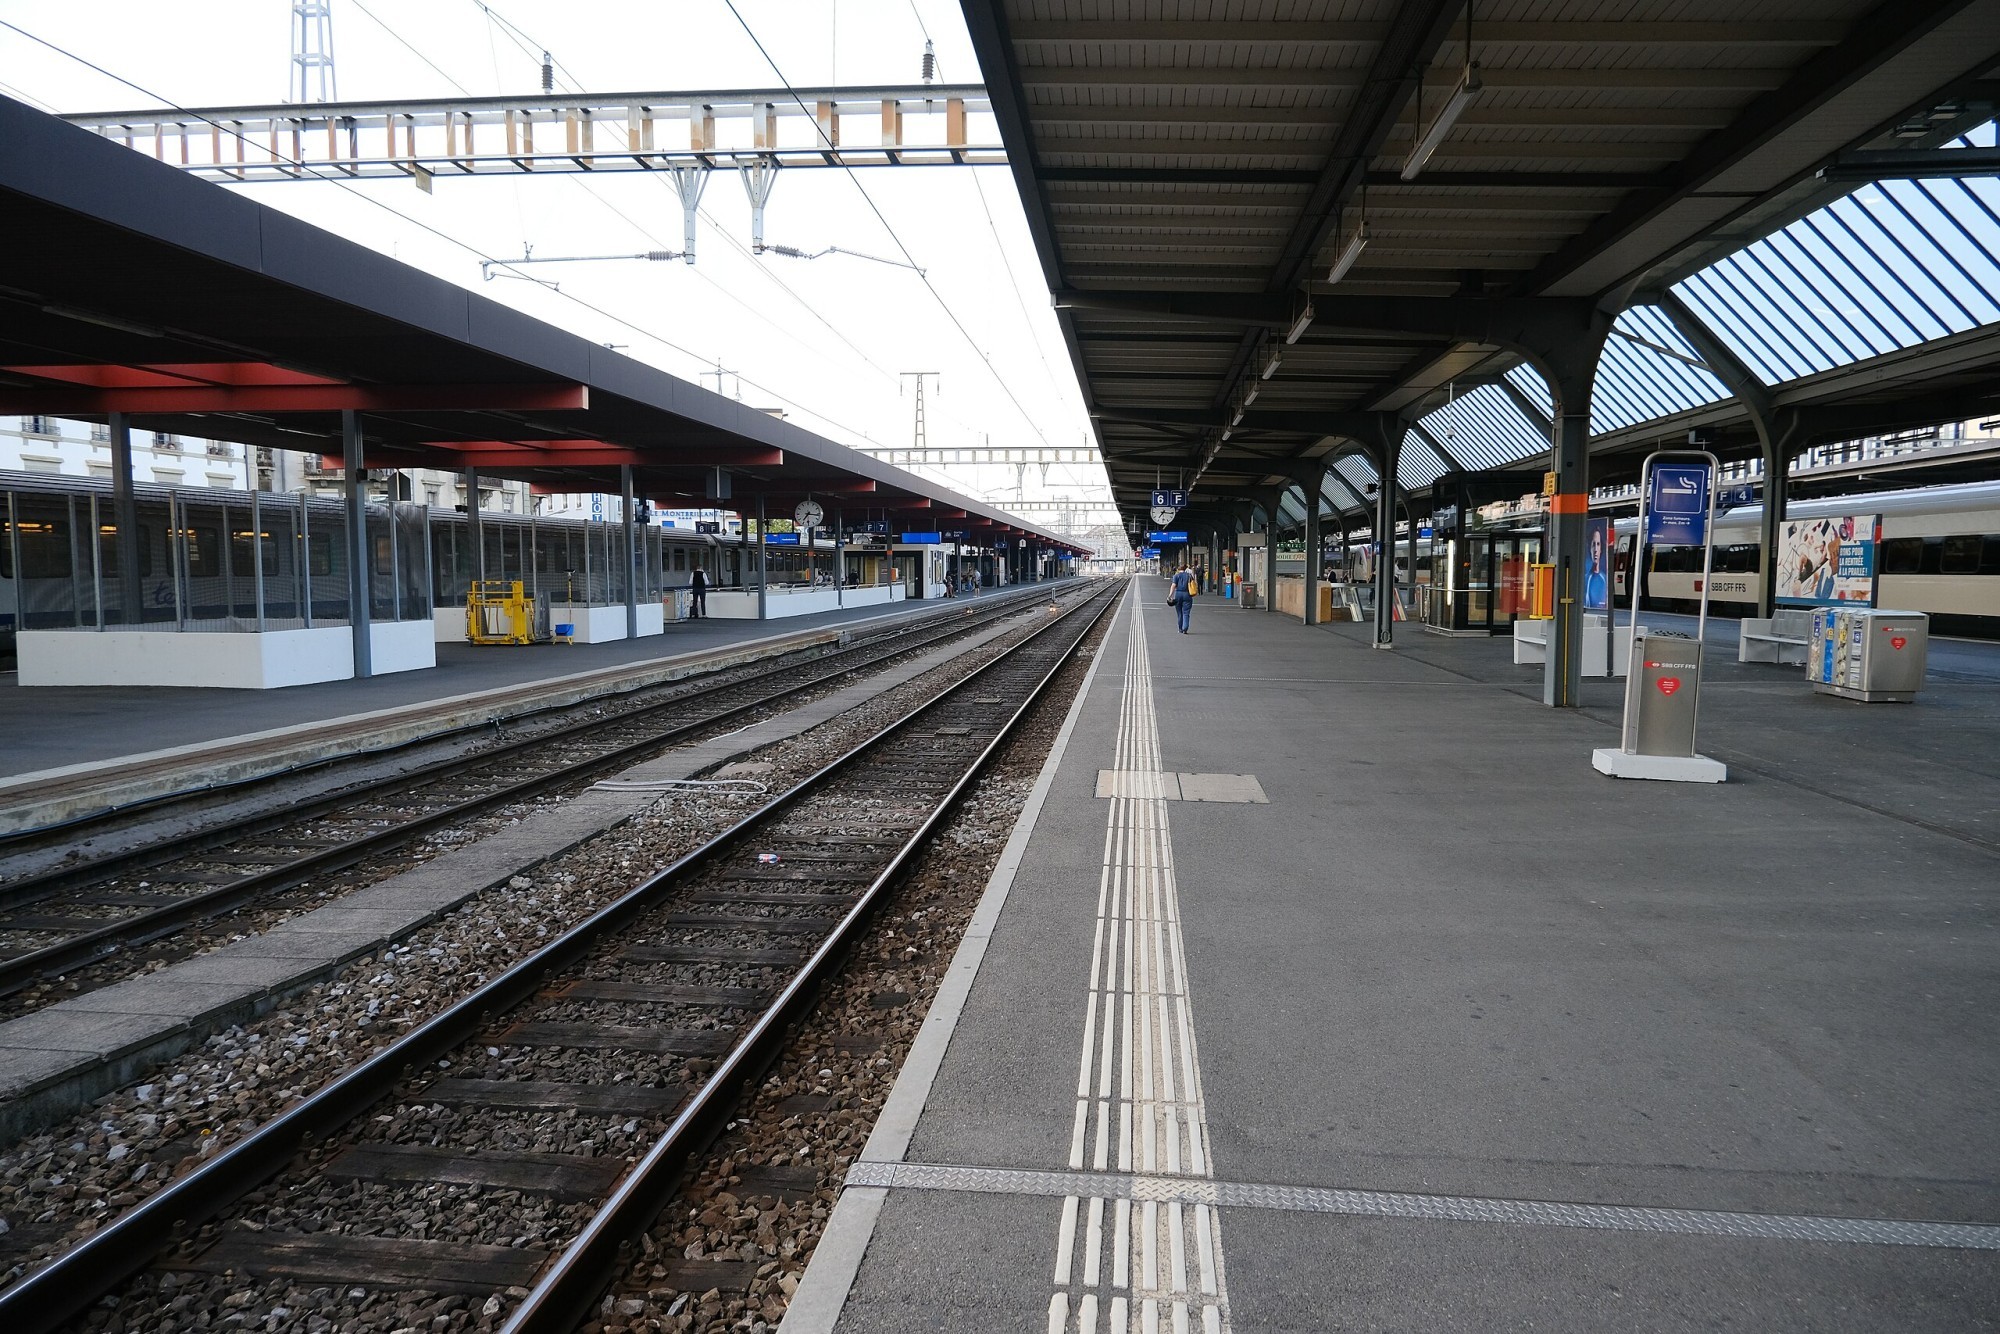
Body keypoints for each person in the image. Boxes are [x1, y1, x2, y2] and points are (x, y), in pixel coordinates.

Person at [1170, 563, 1196, 634]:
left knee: (1179, 613)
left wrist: (1170, 595)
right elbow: (1193, 583)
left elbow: (1173, 586)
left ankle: (1180, 629)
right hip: (1187, 594)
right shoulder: (1189, 575)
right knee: (1186, 612)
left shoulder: (1176, 576)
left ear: (1178, 569)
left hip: (1178, 594)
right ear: (1185, 568)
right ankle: (1185, 628)